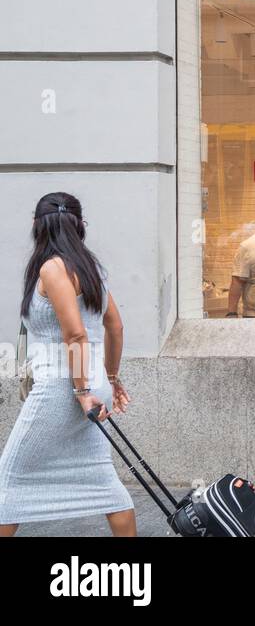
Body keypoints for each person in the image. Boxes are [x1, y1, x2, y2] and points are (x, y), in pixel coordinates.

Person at [0, 193, 135, 537]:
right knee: (103, 479)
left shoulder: (51, 268)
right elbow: (115, 327)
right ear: (79, 226)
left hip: (64, 387)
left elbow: (74, 335)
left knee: (8, 480)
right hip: (89, 384)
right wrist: (111, 378)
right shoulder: (91, 268)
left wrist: (82, 391)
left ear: (36, 226)